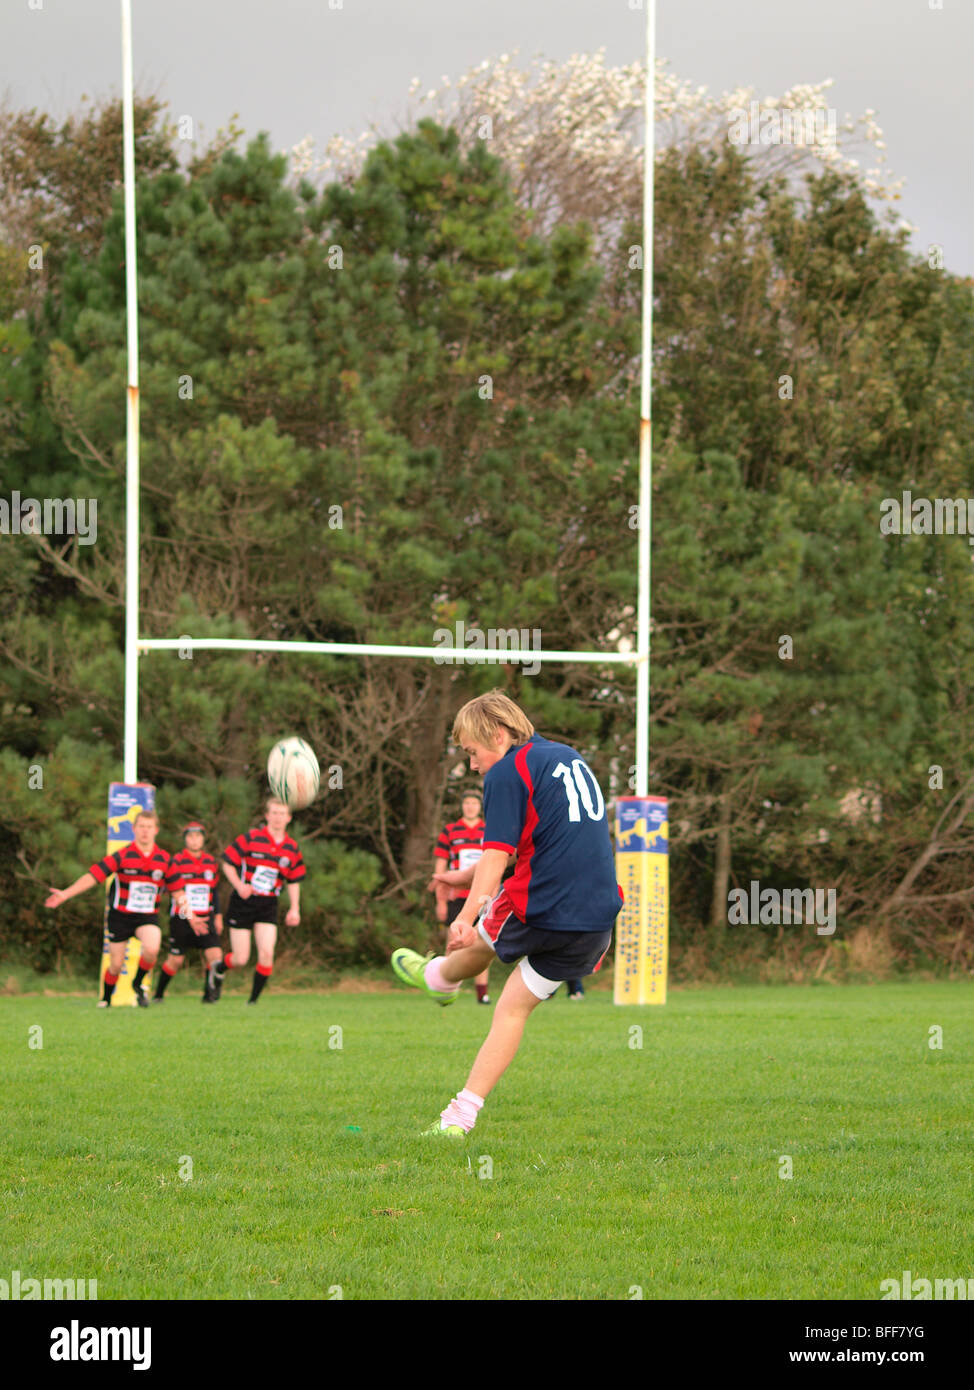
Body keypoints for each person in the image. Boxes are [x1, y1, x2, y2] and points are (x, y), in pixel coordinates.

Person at [391, 689, 622, 1135]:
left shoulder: (506, 772)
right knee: (512, 1010)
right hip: (596, 918)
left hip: (541, 903)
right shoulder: (567, 757)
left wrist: (466, 913)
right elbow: (547, 839)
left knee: (479, 941)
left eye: (472, 753)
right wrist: (468, 877)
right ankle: (458, 1119)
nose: (473, 765)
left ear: (498, 735)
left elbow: (499, 857)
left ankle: (438, 978)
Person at [44, 809, 203, 1007]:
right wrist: (66, 894)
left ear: (156, 830)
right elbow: (94, 876)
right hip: (120, 916)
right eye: (141, 827)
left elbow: (179, 894)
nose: (145, 831)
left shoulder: (164, 860)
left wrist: (191, 917)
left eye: (149, 827)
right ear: (134, 829)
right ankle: (106, 998)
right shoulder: (122, 855)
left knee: (152, 948)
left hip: (147, 917)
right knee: (116, 965)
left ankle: (138, 984)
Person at [208, 797, 304, 1005]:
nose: (278, 818)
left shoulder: (291, 847)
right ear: (267, 816)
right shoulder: (251, 838)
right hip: (243, 902)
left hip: (268, 904)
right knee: (240, 959)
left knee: (267, 953)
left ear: (288, 818)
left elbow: (294, 880)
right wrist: (239, 885)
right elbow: (227, 863)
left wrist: (295, 908)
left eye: (282, 814)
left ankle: (252, 1002)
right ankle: (218, 969)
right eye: (274, 813)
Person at [153, 820, 225, 1003]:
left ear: (203, 839)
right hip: (182, 916)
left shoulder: (210, 862)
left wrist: (217, 916)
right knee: (175, 960)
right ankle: (159, 994)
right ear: (185, 840)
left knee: (215, 956)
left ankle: (209, 996)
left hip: (205, 916)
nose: (194, 840)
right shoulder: (176, 861)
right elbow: (167, 887)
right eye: (191, 837)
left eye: (198, 836)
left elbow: (213, 891)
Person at [432, 792, 491, 1004]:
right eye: (466, 802)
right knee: (453, 940)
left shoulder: (489, 828)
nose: (470, 807)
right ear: (462, 806)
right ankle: (444, 988)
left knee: (482, 942)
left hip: (483, 895)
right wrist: (440, 898)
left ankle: (482, 993)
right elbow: (441, 864)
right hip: (457, 896)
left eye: (474, 803)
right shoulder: (450, 830)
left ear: (479, 806)